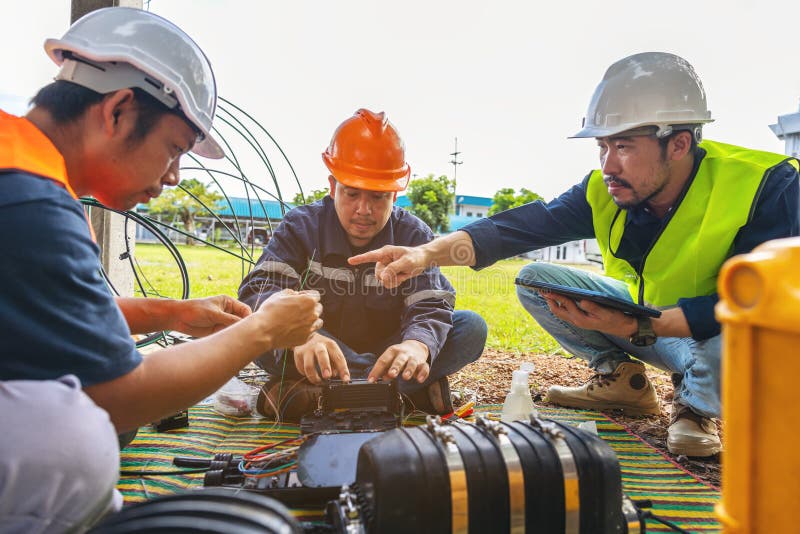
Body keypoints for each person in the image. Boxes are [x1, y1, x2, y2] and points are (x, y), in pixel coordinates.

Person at [350, 52, 800, 458]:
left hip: (724, 335)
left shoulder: (767, 187)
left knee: (741, 331)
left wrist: (636, 323)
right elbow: (516, 228)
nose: (607, 166)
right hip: (658, 328)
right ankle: (625, 382)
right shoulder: (607, 190)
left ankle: (697, 408)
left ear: (678, 144)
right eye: (603, 147)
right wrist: (425, 254)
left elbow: (750, 306)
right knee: (535, 279)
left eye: (623, 146)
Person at [0, 8, 321, 533]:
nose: (174, 176)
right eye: (174, 149)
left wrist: (173, 313)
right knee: (72, 427)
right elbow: (123, 394)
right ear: (119, 111)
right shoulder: (28, 200)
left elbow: (44, 312)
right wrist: (261, 330)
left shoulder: (21, 167)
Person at [238, 108, 487, 419]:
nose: (364, 210)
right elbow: (259, 290)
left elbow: (431, 303)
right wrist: (300, 337)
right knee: (253, 328)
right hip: (316, 345)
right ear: (332, 186)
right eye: (352, 194)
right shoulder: (299, 227)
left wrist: (416, 347)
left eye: (378, 197)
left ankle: (322, 396)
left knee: (471, 328)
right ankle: (402, 395)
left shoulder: (413, 234)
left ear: (395, 194)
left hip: (390, 352)